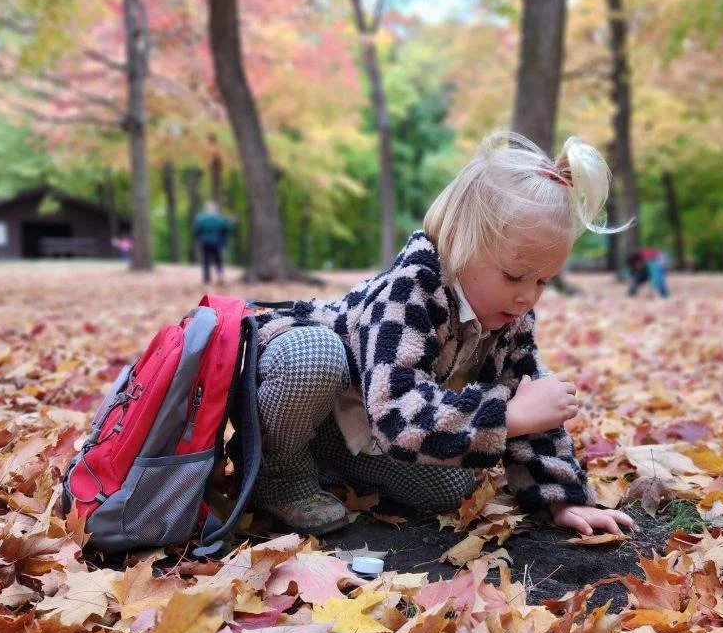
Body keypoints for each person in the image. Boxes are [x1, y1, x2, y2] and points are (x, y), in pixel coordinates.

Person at [247, 131, 638, 538]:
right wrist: (508, 415)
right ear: (457, 241)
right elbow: (400, 411)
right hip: (300, 386)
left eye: (543, 281)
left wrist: (563, 498)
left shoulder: (510, 314)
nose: (527, 296)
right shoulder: (411, 289)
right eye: (514, 275)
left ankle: (326, 462)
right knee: (315, 356)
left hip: (357, 424)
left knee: (453, 486)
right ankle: (277, 471)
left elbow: (530, 400)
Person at [192, 200, 234, 284]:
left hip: (205, 242)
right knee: (218, 259)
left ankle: (206, 279)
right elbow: (227, 229)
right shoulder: (219, 219)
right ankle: (219, 276)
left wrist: (198, 239)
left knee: (206, 260)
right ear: (216, 209)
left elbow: (196, 230)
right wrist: (231, 222)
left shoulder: (200, 219)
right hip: (217, 242)